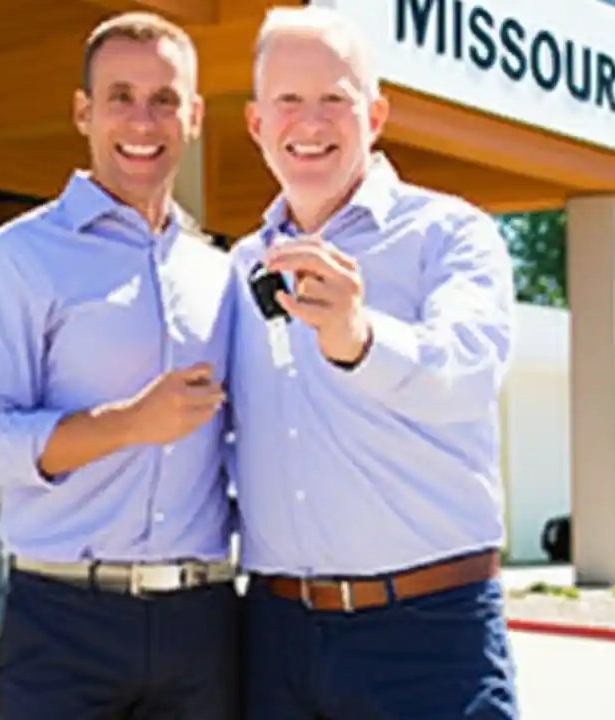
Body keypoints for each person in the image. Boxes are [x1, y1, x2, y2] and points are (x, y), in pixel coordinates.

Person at [0, 11, 240, 720]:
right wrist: (126, 424)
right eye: (120, 97)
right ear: (83, 112)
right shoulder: (17, 258)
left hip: (204, 624)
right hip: (62, 622)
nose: (143, 121)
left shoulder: (223, 275)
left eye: (165, 99)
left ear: (193, 116)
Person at [228, 6, 519, 719]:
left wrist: (360, 337)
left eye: (336, 98)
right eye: (289, 101)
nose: (312, 121)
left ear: (377, 114)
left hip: (429, 635)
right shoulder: (235, 269)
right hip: (275, 639)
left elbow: (471, 367)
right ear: (256, 123)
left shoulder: (451, 235)